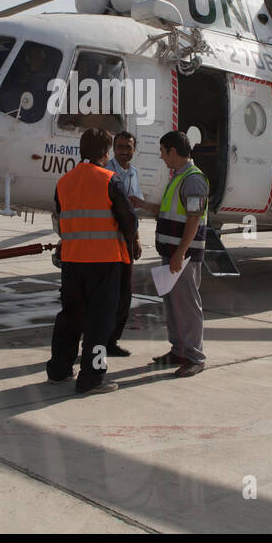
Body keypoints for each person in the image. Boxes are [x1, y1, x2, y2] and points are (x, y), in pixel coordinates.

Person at [46, 128, 139, 395]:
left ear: (81, 151)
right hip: (104, 262)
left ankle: (59, 371)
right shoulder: (110, 180)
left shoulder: (64, 182)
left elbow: (61, 220)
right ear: (105, 152)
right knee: (100, 323)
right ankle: (91, 378)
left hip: (73, 262)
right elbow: (129, 222)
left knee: (70, 317)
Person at [130, 130, 209, 378]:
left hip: (182, 257)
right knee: (174, 307)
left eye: (163, 153)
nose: (162, 158)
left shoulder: (193, 180)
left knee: (187, 307)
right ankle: (179, 351)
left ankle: (195, 357)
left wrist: (181, 253)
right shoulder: (178, 177)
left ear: (173, 151)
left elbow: (194, 219)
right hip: (172, 255)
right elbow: (168, 211)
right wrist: (143, 205)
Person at [103, 130, 144, 356]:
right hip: (109, 240)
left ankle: (112, 341)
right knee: (108, 294)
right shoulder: (107, 172)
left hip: (126, 240)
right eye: (120, 147)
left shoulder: (134, 173)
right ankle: (99, 341)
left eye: (128, 148)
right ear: (112, 149)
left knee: (124, 294)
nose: (124, 152)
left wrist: (136, 238)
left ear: (134, 150)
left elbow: (132, 210)